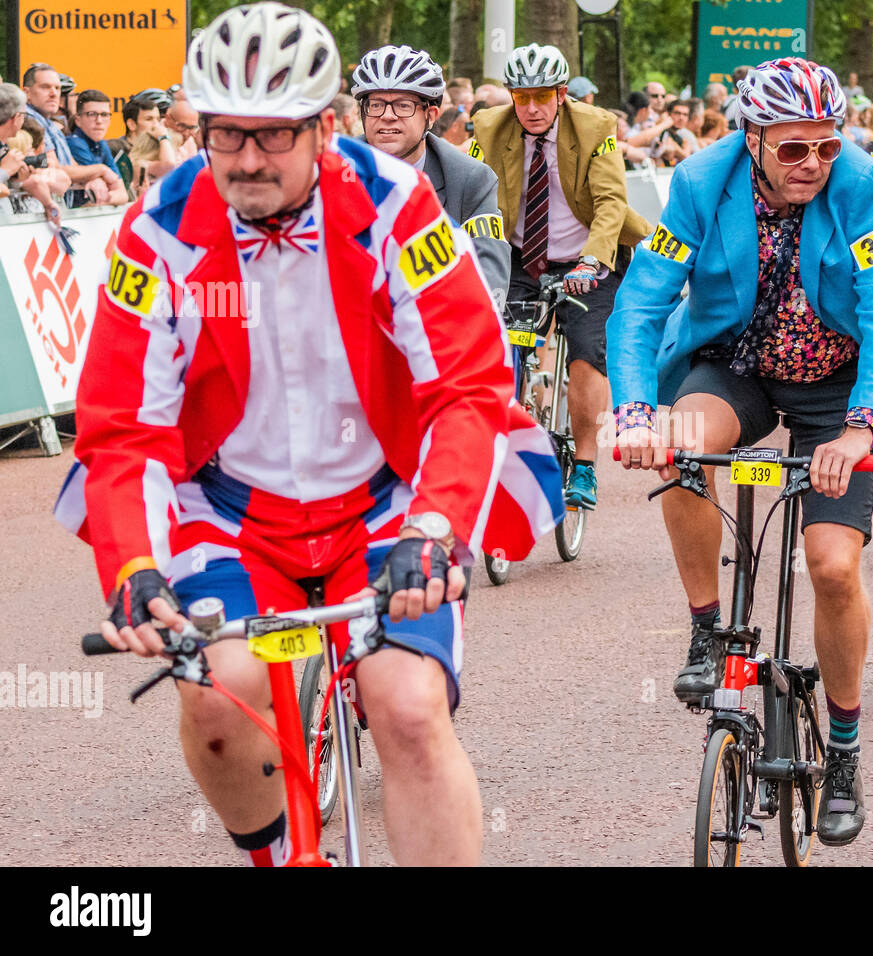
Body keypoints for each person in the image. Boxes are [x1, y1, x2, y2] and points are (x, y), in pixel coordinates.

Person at [56, 2, 560, 868]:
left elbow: (466, 388)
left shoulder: (395, 205)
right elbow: (125, 427)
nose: (247, 159)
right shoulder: (159, 233)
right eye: (225, 134)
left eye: (274, 136)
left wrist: (434, 528)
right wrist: (133, 569)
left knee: (405, 706)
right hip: (224, 510)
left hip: (384, 504)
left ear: (324, 127)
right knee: (217, 698)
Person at [609, 57, 873, 848]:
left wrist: (863, 425)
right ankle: (706, 627)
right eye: (794, 150)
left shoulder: (861, 185)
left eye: (826, 147)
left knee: (831, 566)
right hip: (737, 365)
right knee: (678, 443)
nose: (814, 166)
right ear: (752, 139)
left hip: (837, 382)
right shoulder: (697, 183)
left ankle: (849, 753)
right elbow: (644, 297)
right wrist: (631, 413)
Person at [472, 42, 651, 509]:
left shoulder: (597, 126)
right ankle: (502, 443)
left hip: (585, 255)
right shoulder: (487, 127)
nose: (530, 108)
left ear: (561, 93)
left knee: (587, 355)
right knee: (495, 343)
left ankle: (586, 467)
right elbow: (468, 193)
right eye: (521, 96)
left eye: (541, 97)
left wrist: (593, 260)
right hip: (516, 255)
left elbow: (611, 201)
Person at [351, 44, 510, 307]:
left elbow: (488, 274)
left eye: (403, 105)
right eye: (376, 104)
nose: (387, 116)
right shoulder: (336, 170)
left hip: (435, 317)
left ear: (431, 115)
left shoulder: (471, 179)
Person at [22, 62, 119, 204]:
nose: (54, 93)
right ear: (27, 93)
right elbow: (55, 168)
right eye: (45, 87)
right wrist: (101, 170)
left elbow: (72, 166)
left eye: (57, 88)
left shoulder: (52, 124)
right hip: (35, 212)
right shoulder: (27, 120)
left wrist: (94, 177)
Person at [0, 83, 63, 216]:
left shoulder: (5, 146)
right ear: (16, 117)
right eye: (24, 114)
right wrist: (5, 170)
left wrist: (19, 182)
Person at [65, 90, 130, 204]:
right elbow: (109, 190)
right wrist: (102, 171)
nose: (99, 121)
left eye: (104, 114)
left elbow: (122, 194)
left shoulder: (101, 144)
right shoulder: (74, 143)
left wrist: (107, 197)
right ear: (78, 120)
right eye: (92, 114)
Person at [652, 98, 698, 167]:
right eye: (677, 113)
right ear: (668, 114)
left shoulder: (681, 137)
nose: (681, 118)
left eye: (685, 115)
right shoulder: (659, 130)